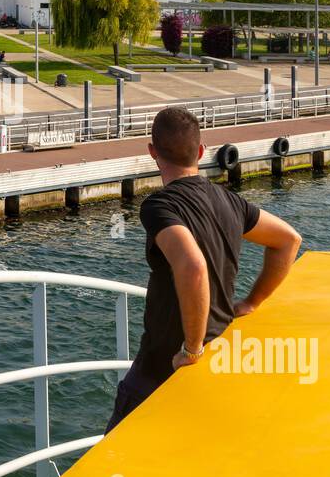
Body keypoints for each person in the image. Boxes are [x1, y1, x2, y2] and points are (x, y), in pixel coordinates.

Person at [105, 107, 302, 433]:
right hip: (218, 353)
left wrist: (191, 349)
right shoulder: (230, 201)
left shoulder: (159, 206)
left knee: (113, 457)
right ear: (200, 151)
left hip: (164, 366)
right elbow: (288, 241)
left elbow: (192, 265)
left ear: (152, 152)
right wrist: (251, 303)